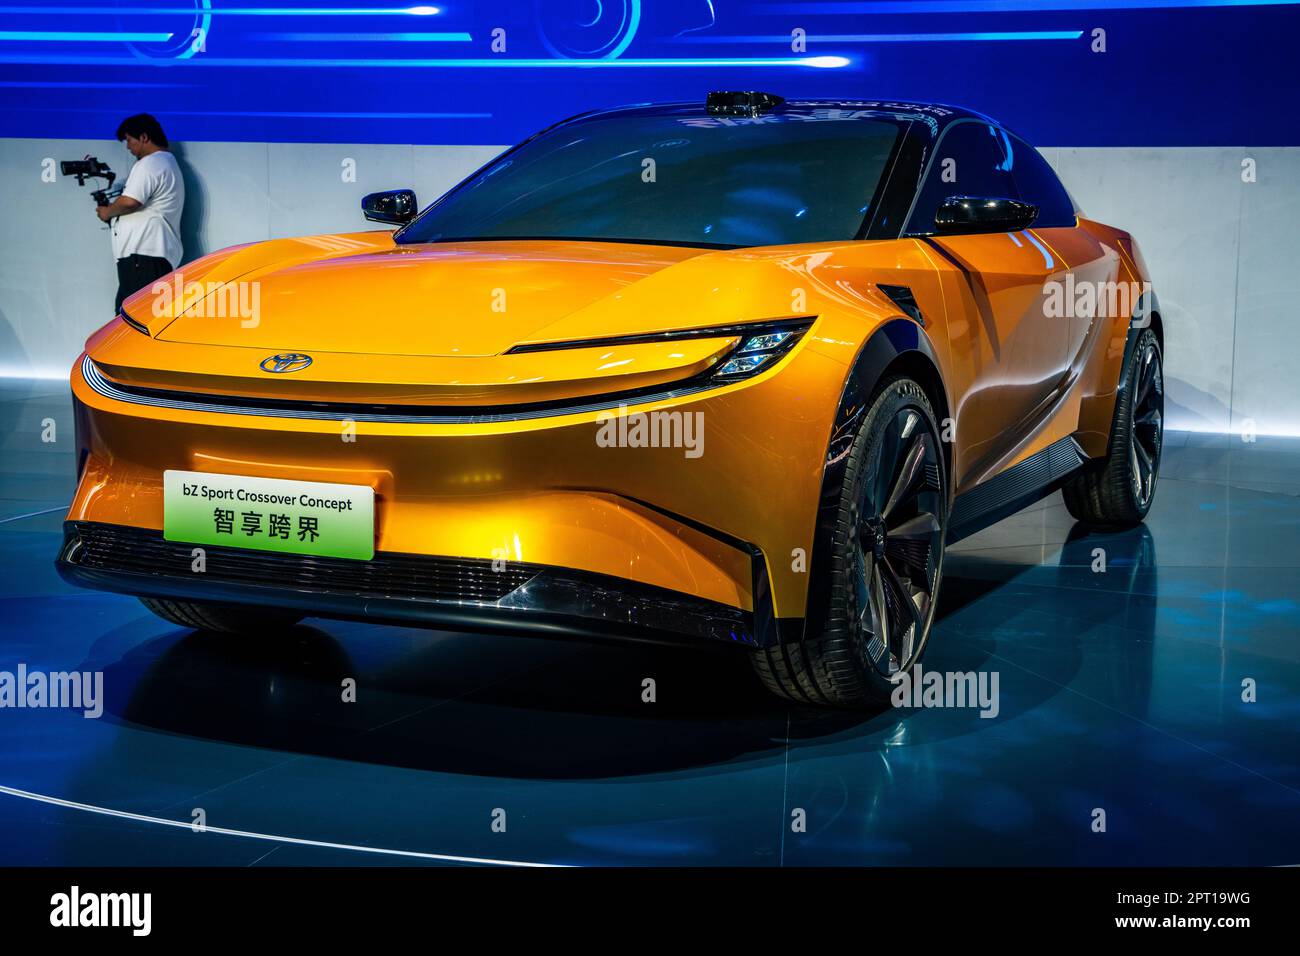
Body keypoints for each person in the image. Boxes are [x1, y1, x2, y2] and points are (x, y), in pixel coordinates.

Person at [96, 114, 185, 312]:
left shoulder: (151, 163)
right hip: (149, 259)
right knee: (140, 319)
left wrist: (108, 212)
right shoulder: (166, 163)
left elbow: (130, 201)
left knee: (132, 321)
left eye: (129, 140)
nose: (128, 147)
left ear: (144, 137)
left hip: (143, 259)